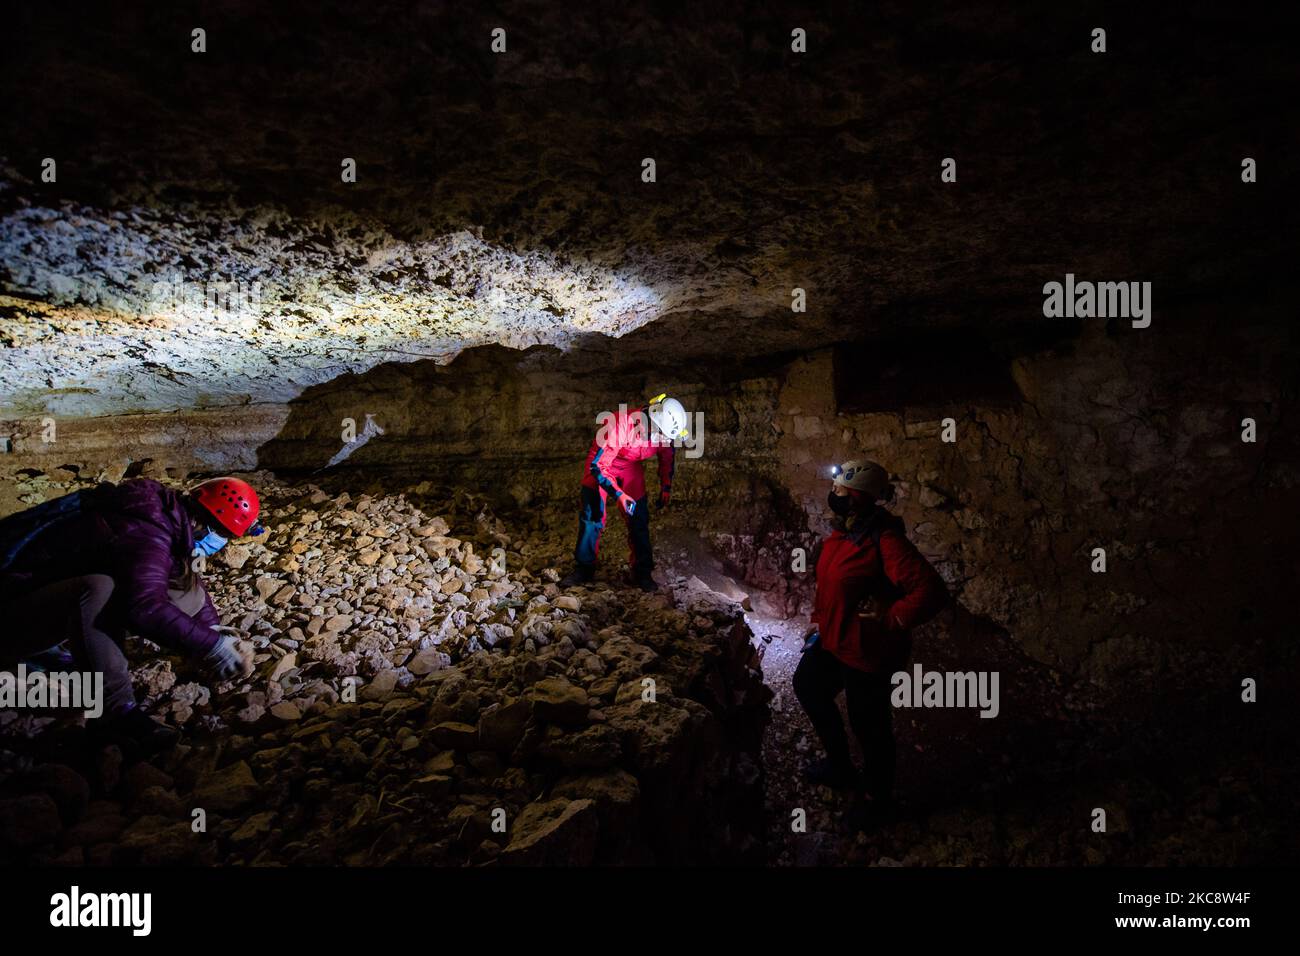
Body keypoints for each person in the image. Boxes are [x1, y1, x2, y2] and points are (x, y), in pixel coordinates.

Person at [0, 476, 263, 755]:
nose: (221, 542)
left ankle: (69, 659)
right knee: (99, 588)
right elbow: (143, 607)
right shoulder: (145, 530)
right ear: (209, 522)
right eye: (224, 534)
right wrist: (211, 648)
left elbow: (183, 581)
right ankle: (116, 713)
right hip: (7, 617)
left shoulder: (163, 517)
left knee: (168, 575)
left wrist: (213, 630)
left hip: (26, 602)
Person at [794, 459, 948, 827]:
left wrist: (893, 615)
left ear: (861, 499)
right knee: (809, 686)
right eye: (835, 489)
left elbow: (930, 590)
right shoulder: (846, 532)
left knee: (870, 726)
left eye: (842, 492)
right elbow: (834, 584)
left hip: (868, 649)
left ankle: (878, 800)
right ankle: (841, 767)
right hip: (837, 637)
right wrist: (821, 623)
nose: (834, 495)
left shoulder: (885, 539)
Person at [559, 394, 690, 592]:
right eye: (663, 436)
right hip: (602, 462)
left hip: (629, 466)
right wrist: (619, 495)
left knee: (639, 517)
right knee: (593, 514)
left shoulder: (663, 434)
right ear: (653, 425)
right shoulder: (619, 425)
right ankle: (583, 568)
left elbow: (667, 458)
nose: (665, 441)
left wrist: (665, 486)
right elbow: (599, 467)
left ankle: (642, 572)